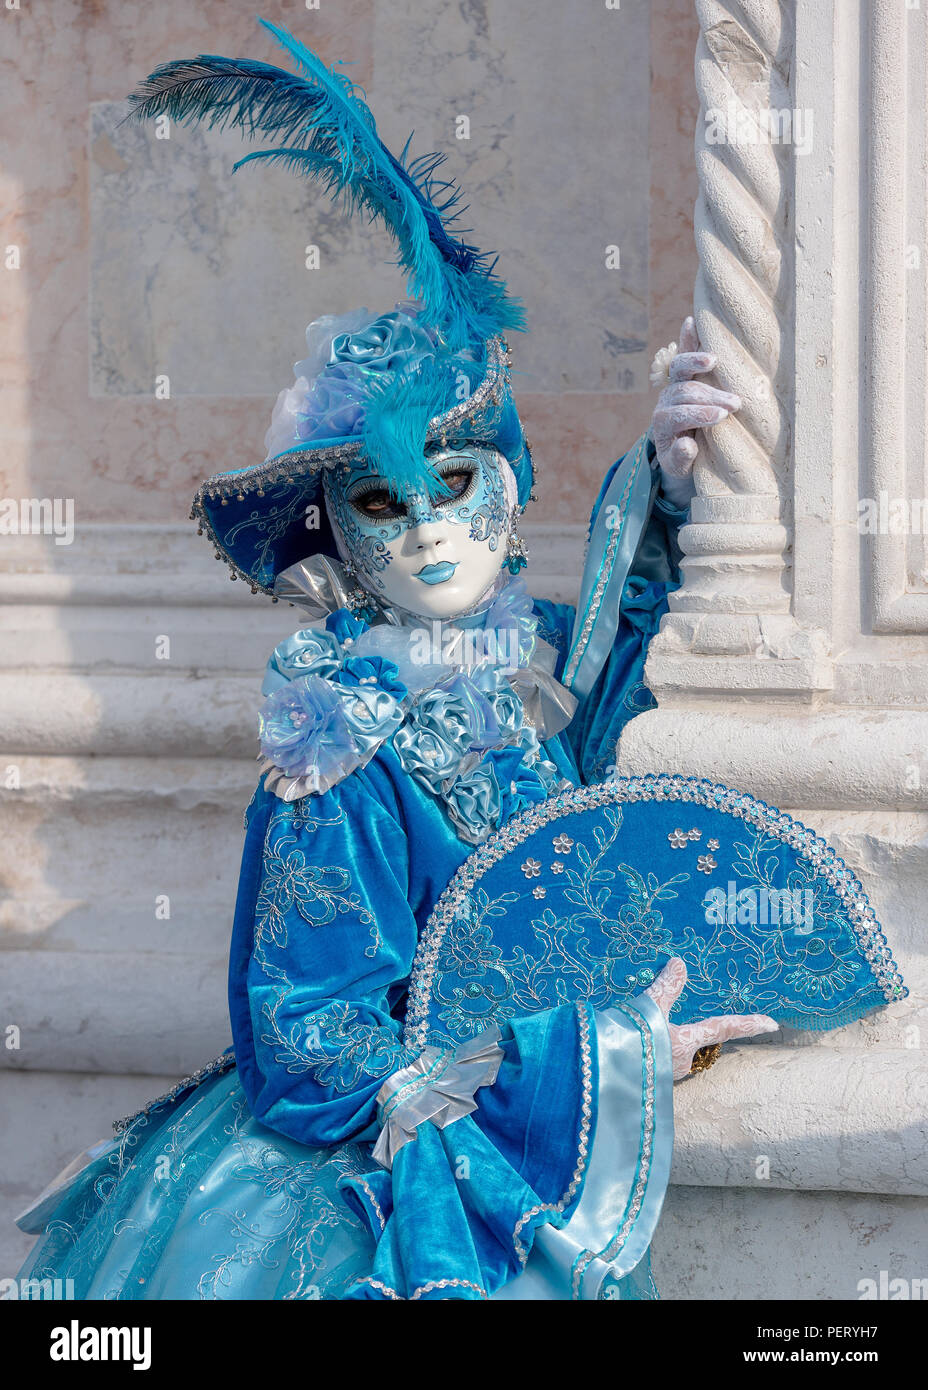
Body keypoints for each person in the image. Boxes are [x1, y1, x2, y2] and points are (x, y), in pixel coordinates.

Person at [13, 21, 905, 1302]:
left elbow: (608, 741)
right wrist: (589, 1055)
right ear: (333, 534)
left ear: (506, 481)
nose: (429, 528)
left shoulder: (517, 669)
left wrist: (662, 485)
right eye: (384, 502)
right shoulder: (340, 740)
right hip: (368, 1182)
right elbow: (310, 1034)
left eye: (453, 483)